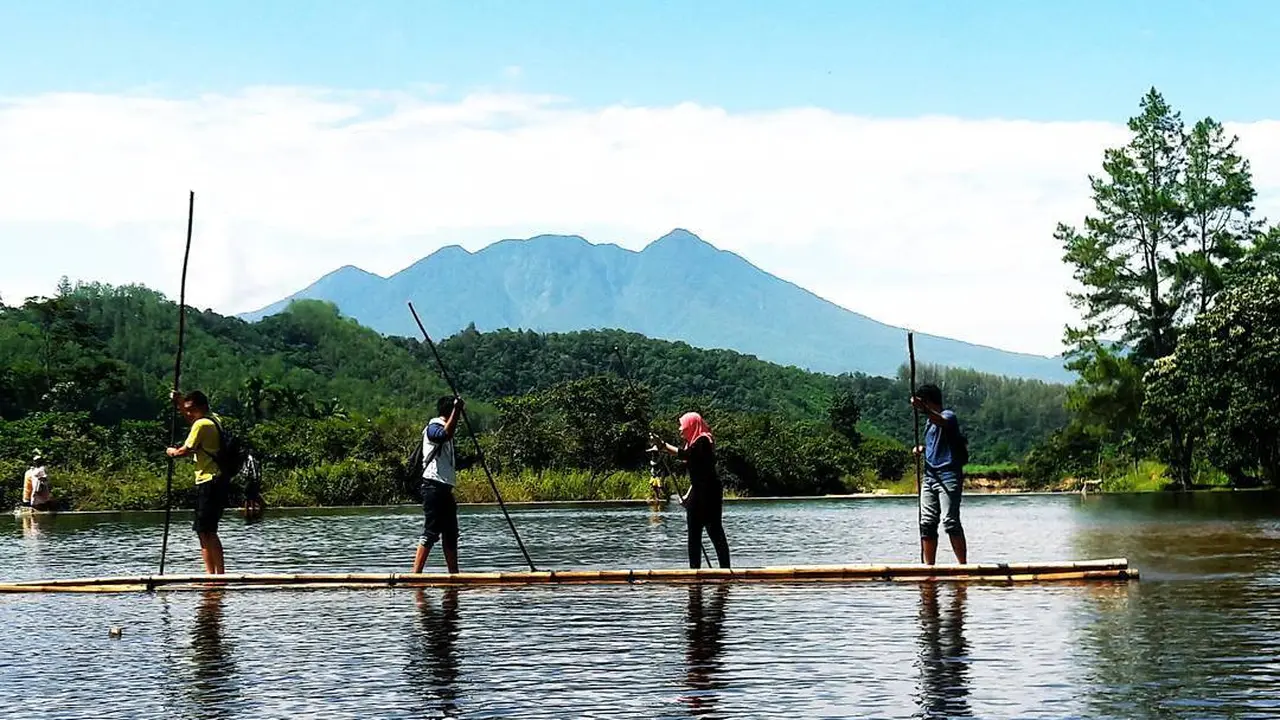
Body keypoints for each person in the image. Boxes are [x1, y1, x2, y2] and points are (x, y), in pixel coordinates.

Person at [652, 412, 731, 569]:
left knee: (714, 530)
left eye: (682, 426)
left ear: (691, 425)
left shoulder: (703, 441)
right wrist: (688, 496)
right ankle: (694, 572)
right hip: (698, 491)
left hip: (710, 493)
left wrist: (663, 446)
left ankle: (725, 570)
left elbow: (686, 455)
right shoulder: (692, 443)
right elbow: (696, 476)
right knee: (694, 534)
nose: (680, 429)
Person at [166, 390, 227, 574]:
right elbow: (193, 421)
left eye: (191, 409)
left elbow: (186, 449)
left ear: (202, 407)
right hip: (217, 479)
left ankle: (213, 576)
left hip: (208, 480)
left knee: (205, 531)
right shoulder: (214, 419)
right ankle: (217, 574)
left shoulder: (201, 424)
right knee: (207, 529)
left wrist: (172, 452)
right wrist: (179, 403)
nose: (188, 414)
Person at [910, 383, 968, 565]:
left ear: (928, 401)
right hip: (929, 476)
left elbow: (941, 421)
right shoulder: (929, 423)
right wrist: (923, 449)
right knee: (927, 522)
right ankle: (929, 568)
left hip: (948, 475)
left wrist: (924, 408)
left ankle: (963, 566)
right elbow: (936, 446)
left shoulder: (948, 416)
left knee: (950, 521)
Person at [412, 396, 464, 574]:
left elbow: (454, 462)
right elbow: (443, 435)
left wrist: (475, 458)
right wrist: (457, 409)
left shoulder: (448, 432)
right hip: (432, 487)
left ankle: (454, 575)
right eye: (455, 414)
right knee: (432, 531)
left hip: (445, 489)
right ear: (449, 412)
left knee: (451, 533)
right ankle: (416, 575)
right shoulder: (433, 427)